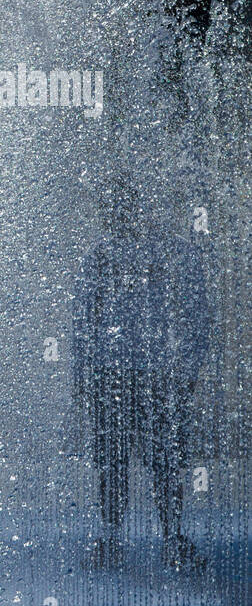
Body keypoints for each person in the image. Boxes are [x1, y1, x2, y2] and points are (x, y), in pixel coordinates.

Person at [71, 184, 212, 572]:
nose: (114, 216)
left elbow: (82, 319)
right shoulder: (171, 250)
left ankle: (128, 538)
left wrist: (81, 374)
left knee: (128, 461)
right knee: (155, 461)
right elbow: (198, 315)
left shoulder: (105, 255)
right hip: (149, 375)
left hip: (122, 374)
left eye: (117, 207)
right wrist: (188, 369)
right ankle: (161, 538)